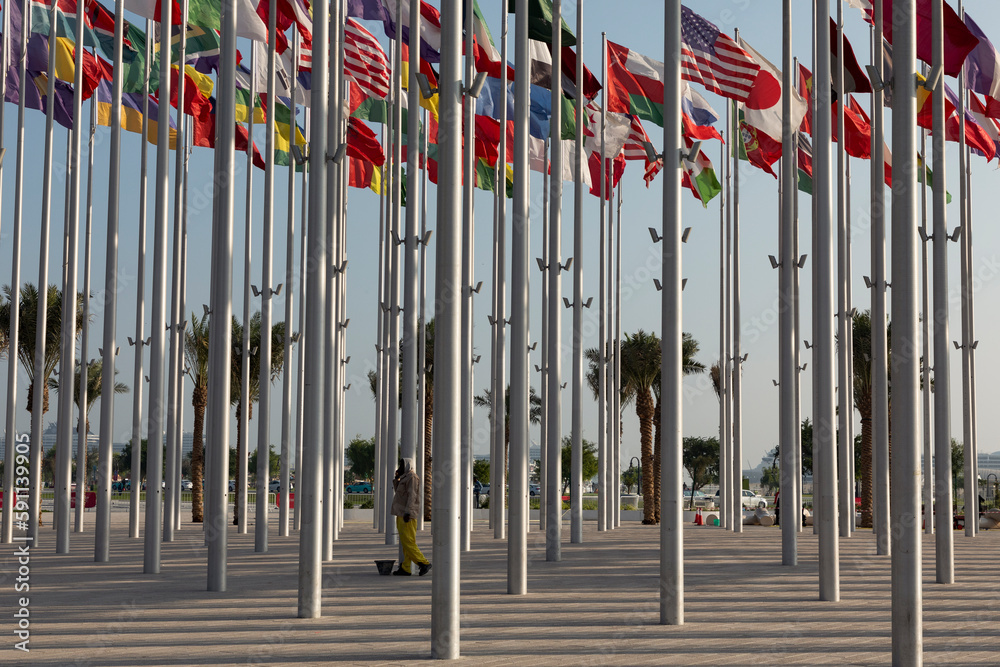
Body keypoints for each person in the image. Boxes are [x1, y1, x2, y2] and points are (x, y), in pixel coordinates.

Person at [391, 458, 431, 577]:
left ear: (408, 466)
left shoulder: (412, 478)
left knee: (408, 541)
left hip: (407, 514)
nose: (400, 467)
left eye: (402, 465)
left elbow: (412, 496)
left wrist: (408, 512)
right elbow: (398, 492)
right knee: (405, 541)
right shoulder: (404, 477)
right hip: (401, 513)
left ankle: (424, 563)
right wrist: (396, 478)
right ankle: (406, 568)